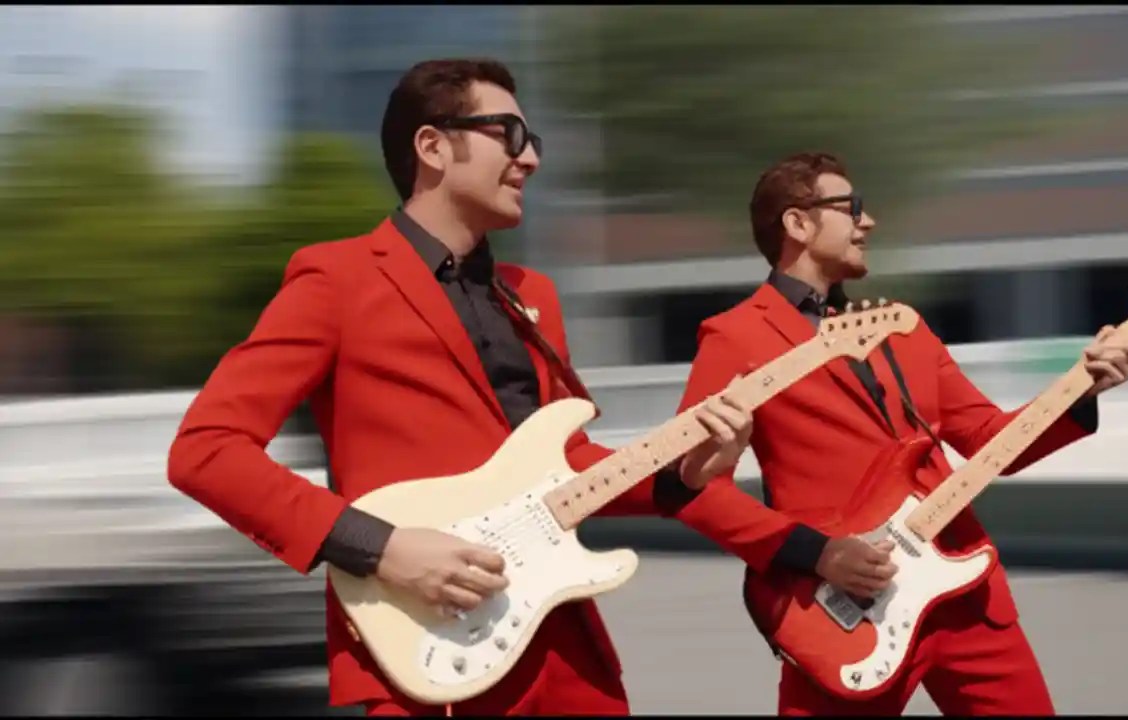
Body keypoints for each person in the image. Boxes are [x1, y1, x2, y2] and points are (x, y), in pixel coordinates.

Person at [167, 57, 753, 717]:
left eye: (534, 142)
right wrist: (380, 548)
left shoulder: (534, 297)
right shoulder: (337, 279)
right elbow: (206, 450)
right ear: (433, 146)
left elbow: (567, 470)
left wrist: (683, 473)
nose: (529, 159)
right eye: (509, 134)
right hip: (428, 655)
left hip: (564, 656)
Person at [667, 151, 1128, 716]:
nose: (868, 222)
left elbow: (992, 440)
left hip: (967, 596)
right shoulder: (734, 337)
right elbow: (691, 490)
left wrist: (1080, 391)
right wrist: (816, 554)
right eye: (852, 208)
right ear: (797, 223)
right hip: (843, 609)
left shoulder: (903, 327)